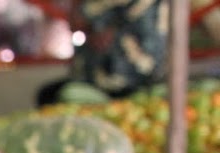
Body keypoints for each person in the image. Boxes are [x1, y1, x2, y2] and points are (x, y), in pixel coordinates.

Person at [35, 0, 169, 106]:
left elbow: (79, 20)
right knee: (51, 95)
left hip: (130, 83)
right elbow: (77, 22)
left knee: (61, 97)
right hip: (98, 81)